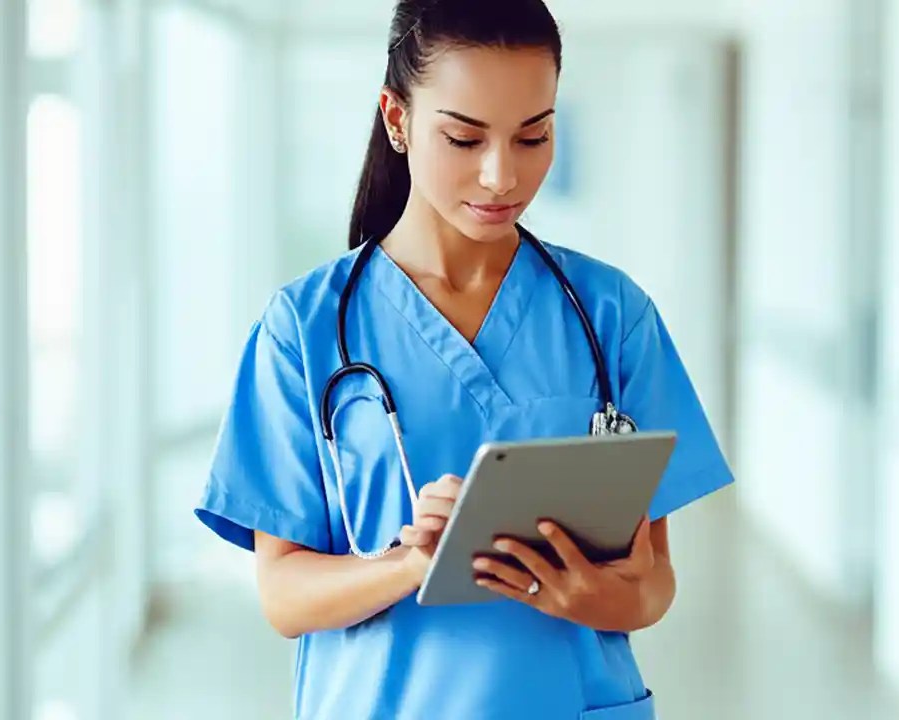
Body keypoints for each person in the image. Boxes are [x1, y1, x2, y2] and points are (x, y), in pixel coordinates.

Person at [194, 0, 734, 717]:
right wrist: (411, 562)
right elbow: (284, 595)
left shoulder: (611, 316)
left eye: (533, 136)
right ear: (397, 119)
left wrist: (586, 592)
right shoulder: (304, 328)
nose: (500, 176)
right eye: (464, 138)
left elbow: (653, 584)